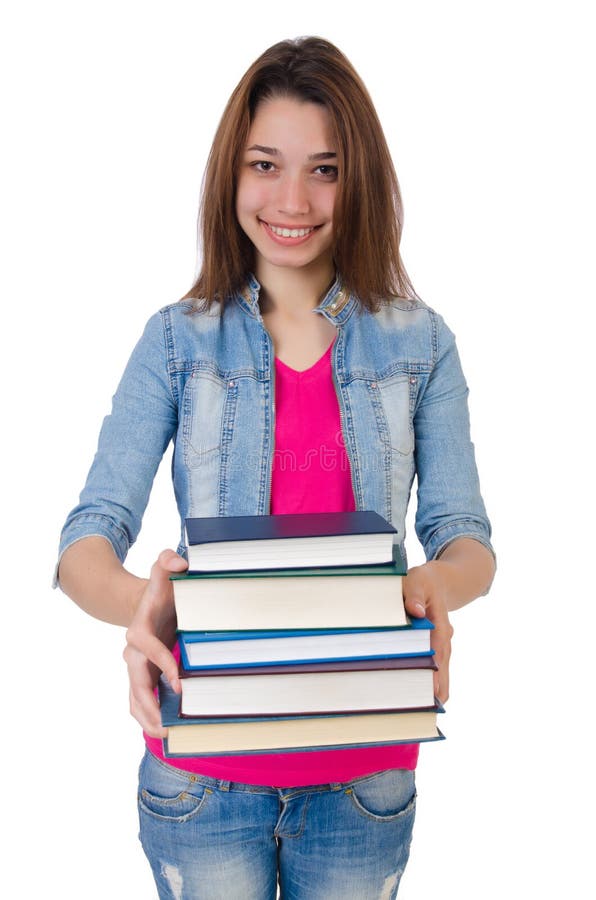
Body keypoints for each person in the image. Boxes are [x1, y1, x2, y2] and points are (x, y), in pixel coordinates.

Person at [55, 36, 495, 900]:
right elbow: (83, 545)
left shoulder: (422, 344)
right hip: (202, 781)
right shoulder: (178, 341)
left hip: (366, 778)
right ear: (232, 175)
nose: (292, 199)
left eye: (324, 170)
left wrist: (434, 587)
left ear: (359, 180)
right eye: (267, 164)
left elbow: (466, 538)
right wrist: (144, 604)